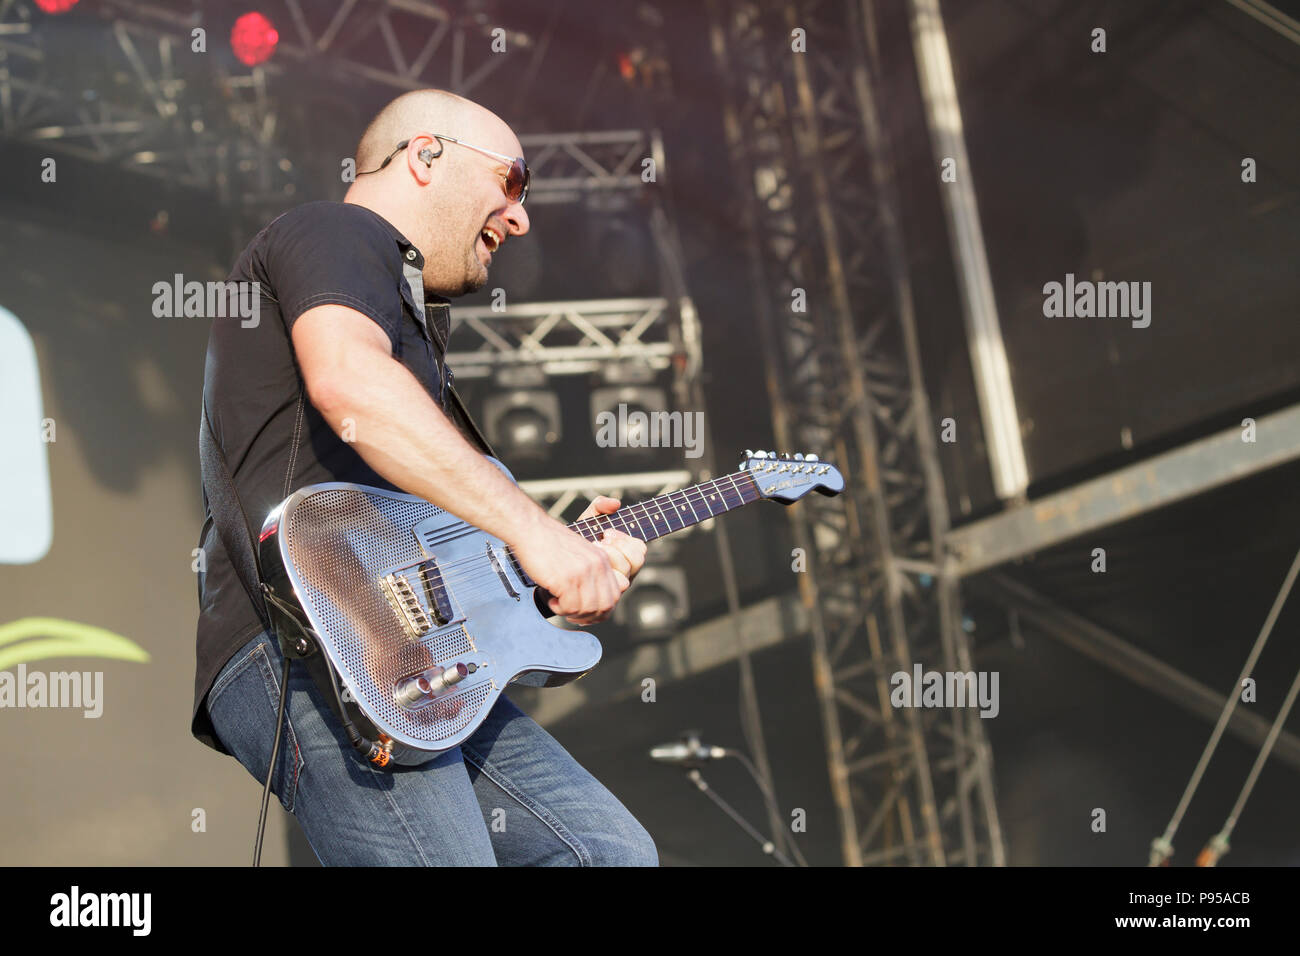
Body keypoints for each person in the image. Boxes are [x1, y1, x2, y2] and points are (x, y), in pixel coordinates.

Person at [192, 88, 658, 866]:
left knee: (607, 853)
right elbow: (350, 390)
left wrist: (548, 577)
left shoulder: (409, 330)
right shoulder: (336, 231)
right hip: (312, 641)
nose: (521, 219)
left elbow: (426, 557)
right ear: (425, 155)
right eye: (513, 182)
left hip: (418, 663)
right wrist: (536, 531)